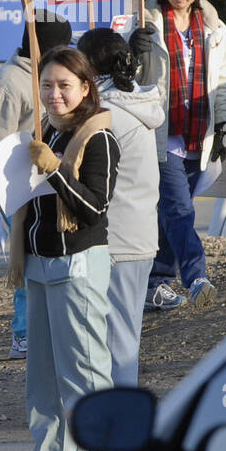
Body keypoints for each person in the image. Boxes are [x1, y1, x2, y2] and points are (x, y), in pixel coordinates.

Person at [10, 47, 120, 451]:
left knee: (84, 380)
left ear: (86, 88)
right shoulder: (47, 131)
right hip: (39, 266)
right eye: (47, 86)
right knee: (42, 385)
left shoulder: (99, 137)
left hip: (77, 268)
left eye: (64, 86)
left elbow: (93, 208)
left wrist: (54, 169)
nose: (54, 94)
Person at [126, 0, 226, 311]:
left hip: (197, 133)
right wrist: (131, 49)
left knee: (172, 211)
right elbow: (120, 73)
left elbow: (222, 79)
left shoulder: (214, 28)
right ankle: (196, 277)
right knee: (179, 211)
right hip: (159, 132)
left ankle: (155, 282)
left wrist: (223, 124)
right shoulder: (143, 20)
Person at [0, 17, 75, 359]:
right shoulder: (9, 83)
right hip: (16, 191)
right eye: (62, 46)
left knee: (49, 259)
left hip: (46, 188)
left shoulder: (48, 79)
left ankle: (46, 328)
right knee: (26, 262)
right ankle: (24, 334)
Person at [78, 28, 164, 388]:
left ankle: (117, 427)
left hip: (116, 240)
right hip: (139, 237)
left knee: (111, 343)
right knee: (123, 336)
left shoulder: (105, 114)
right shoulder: (137, 101)